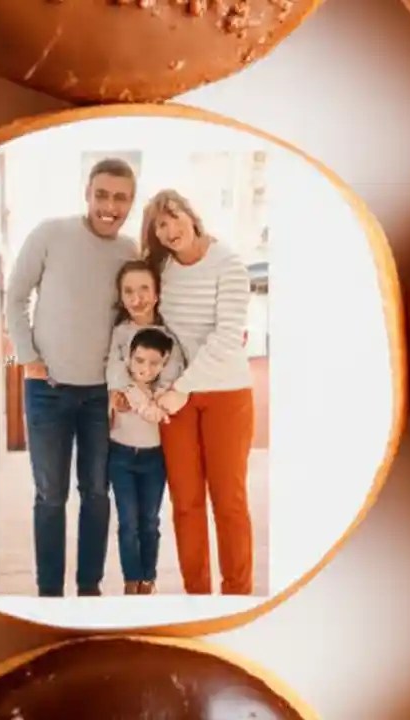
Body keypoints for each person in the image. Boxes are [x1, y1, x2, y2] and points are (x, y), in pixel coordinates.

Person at [3, 158, 140, 597]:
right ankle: (49, 592)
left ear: (131, 203)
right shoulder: (50, 234)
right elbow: (15, 297)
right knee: (50, 495)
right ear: (87, 193)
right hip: (47, 390)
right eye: (102, 195)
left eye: (120, 198)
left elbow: (137, 316)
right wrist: (29, 359)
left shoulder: (130, 251)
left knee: (97, 492)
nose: (109, 207)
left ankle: (88, 588)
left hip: (101, 394)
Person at [141, 189, 256, 596]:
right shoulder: (163, 270)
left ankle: (237, 594)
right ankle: (197, 595)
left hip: (226, 393)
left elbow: (227, 336)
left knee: (228, 500)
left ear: (191, 215)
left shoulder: (229, 264)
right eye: (160, 224)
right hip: (177, 397)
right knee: (186, 502)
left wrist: (181, 388)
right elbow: (161, 331)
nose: (170, 229)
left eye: (174, 217)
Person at [104, 260, 183, 595]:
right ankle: (130, 580)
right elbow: (114, 373)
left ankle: (148, 579)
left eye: (144, 289)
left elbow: (171, 381)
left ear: (157, 293)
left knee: (149, 521)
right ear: (121, 297)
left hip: (155, 454)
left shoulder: (169, 338)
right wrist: (131, 397)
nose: (137, 298)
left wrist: (144, 397)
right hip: (120, 450)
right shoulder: (120, 334)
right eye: (128, 292)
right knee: (127, 522)